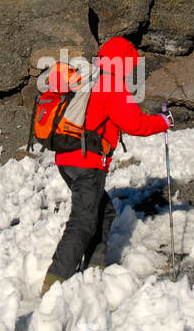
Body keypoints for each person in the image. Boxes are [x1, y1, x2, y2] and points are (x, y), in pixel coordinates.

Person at [43, 37, 170, 293]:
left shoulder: (89, 79)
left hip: (66, 158)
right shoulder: (111, 85)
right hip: (86, 162)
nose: (132, 71)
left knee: (104, 212)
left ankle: (93, 268)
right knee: (83, 221)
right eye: (130, 65)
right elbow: (134, 124)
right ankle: (54, 282)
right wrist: (163, 122)